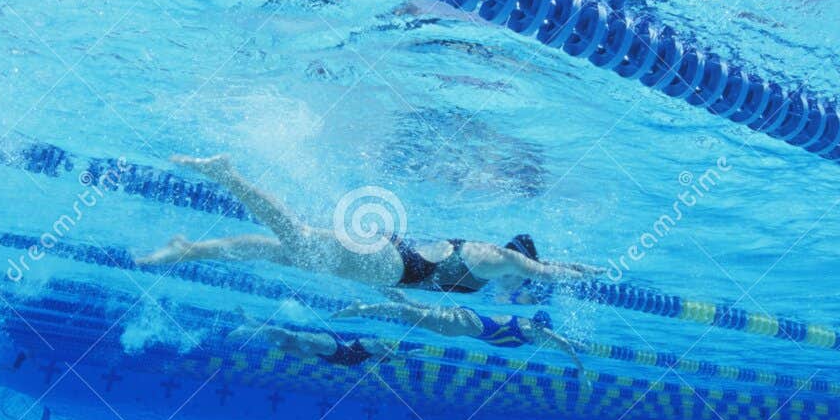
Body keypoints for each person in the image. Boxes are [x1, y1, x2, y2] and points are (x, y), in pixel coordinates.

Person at [135, 154, 601, 294]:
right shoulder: (498, 260)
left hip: (390, 262)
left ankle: (188, 249)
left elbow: (546, 265)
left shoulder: (496, 262)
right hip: (392, 262)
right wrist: (589, 280)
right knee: (297, 241)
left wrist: (583, 269)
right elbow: (540, 270)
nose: (518, 288)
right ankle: (227, 174)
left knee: (280, 251)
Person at [336, 294, 584, 370]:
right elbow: (563, 343)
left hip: (465, 320)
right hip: (464, 323)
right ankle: (361, 308)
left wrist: (577, 345)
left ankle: (389, 290)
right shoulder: (532, 329)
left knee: (415, 308)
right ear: (541, 327)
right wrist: (581, 370)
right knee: (409, 313)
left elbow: (563, 341)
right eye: (544, 333)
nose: (543, 338)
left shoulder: (530, 329)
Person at [224, 308, 399, 368]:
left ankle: (249, 322)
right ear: (382, 353)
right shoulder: (372, 345)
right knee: (291, 336)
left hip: (320, 354)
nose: (379, 361)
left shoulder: (366, 357)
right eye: (383, 360)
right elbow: (388, 352)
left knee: (281, 345)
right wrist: (402, 355)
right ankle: (247, 331)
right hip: (330, 346)